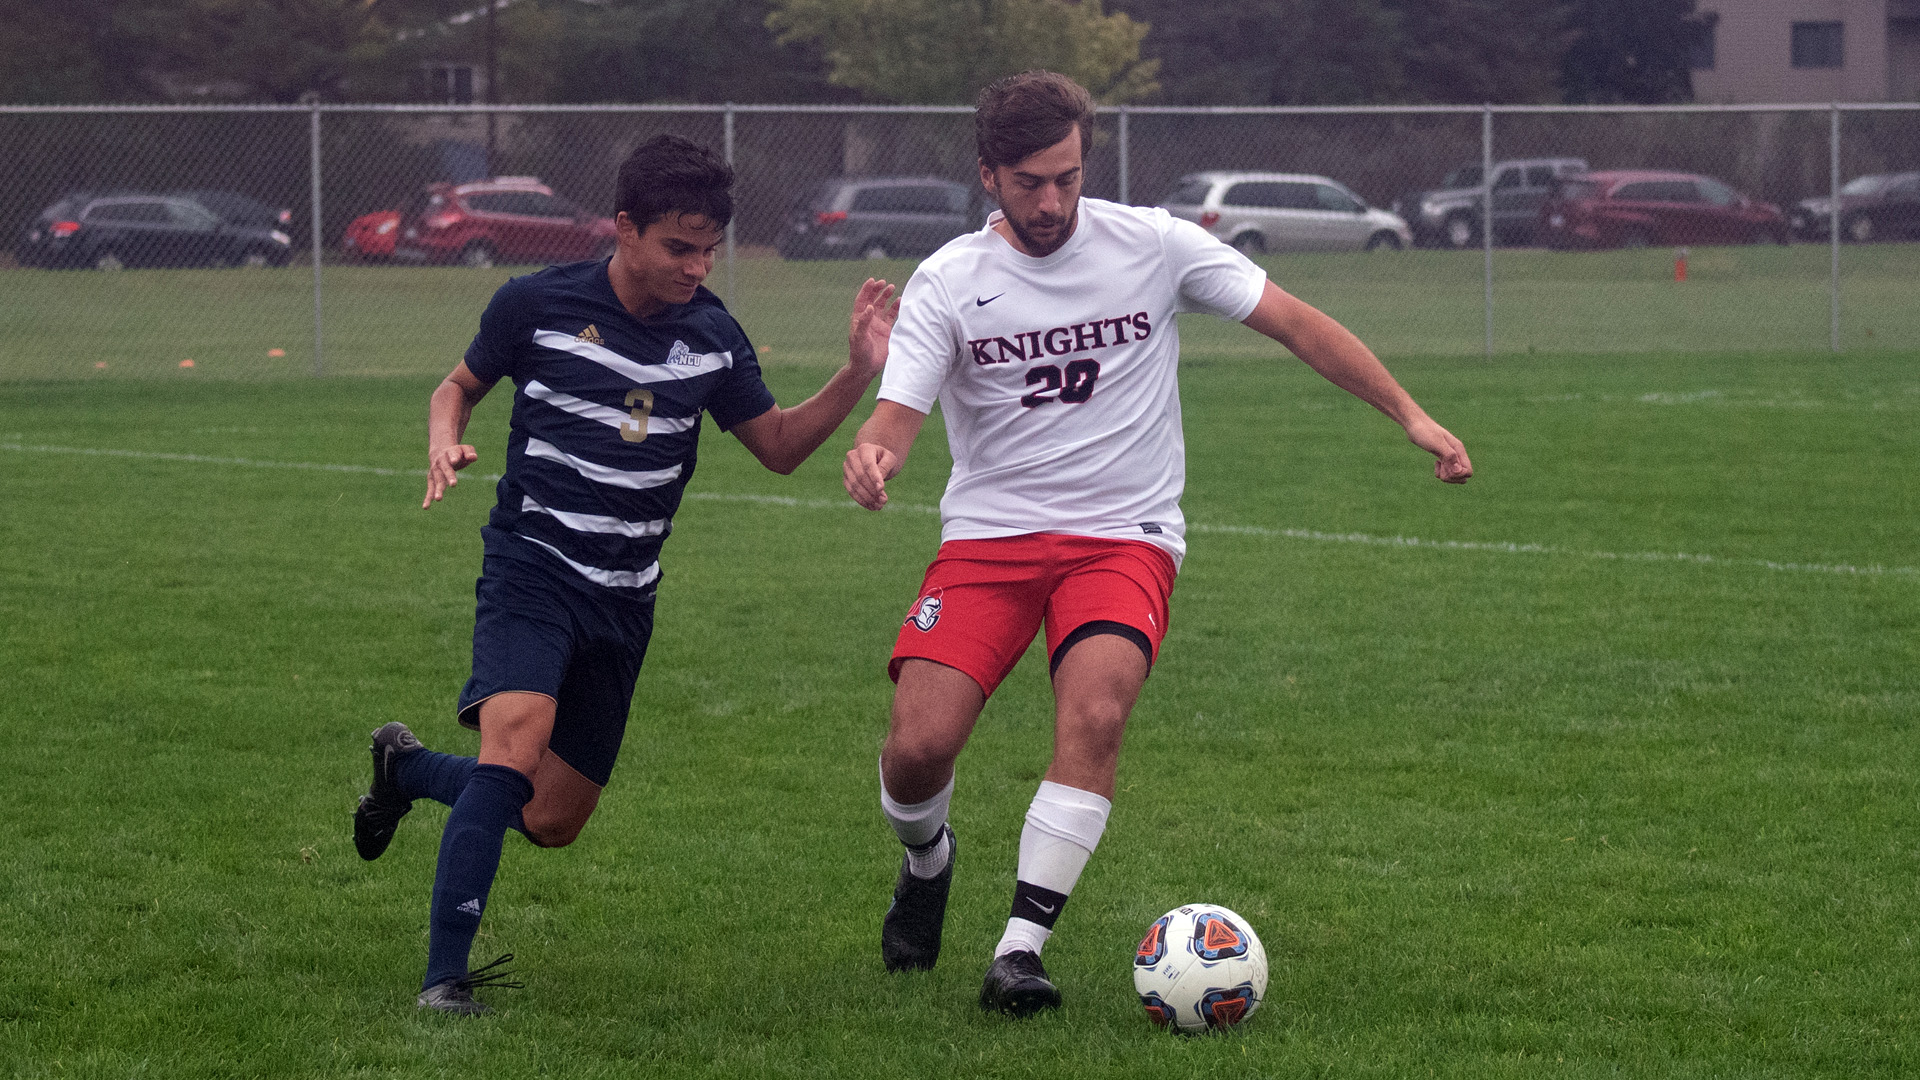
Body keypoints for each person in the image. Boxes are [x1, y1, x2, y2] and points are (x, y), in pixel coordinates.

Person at [841, 72, 1472, 1017]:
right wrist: (873, 455)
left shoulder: (1154, 244)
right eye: (1029, 183)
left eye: (1067, 178)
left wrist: (1412, 416)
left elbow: (1296, 322)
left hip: (1123, 537)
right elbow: (896, 416)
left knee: (1096, 715)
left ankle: (1019, 950)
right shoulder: (949, 281)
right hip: (990, 541)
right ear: (989, 176)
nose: (1051, 202)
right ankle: (927, 860)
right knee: (918, 749)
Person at [352, 134, 898, 1016]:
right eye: (679, 247)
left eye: (709, 249)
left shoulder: (713, 337)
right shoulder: (535, 304)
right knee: (515, 744)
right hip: (533, 564)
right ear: (624, 229)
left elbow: (780, 447)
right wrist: (443, 440)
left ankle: (406, 771)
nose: (697, 266)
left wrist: (857, 372)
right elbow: (455, 387)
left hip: (625, 596)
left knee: (550, 817)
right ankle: (442, 981)